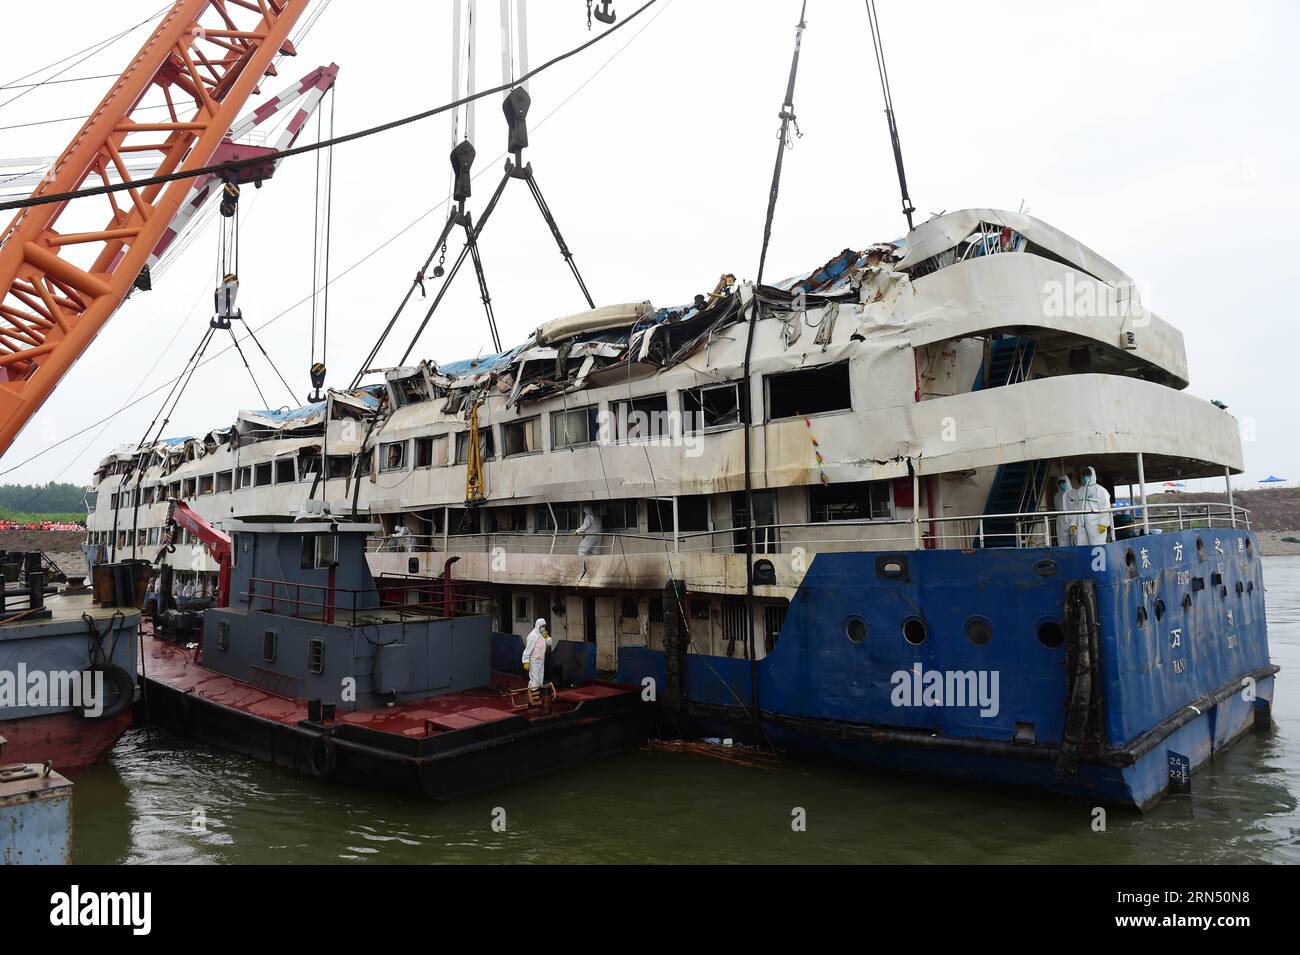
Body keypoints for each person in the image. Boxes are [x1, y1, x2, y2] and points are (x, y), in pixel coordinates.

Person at [1075, 466, 1112, 545]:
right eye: (1084, 475)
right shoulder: (1080, 490)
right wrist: (1073, 522)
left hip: (1095, 525)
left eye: (1088, 475)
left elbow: (1105, 507)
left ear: (1093, 475)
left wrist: (1103, 523)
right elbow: (1076, 508)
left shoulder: (1100, 490)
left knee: (1098, 546)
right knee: (1081, 546)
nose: (1085, 477)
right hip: (1081, 525)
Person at [521, 618, 553, 689]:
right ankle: (532, 695)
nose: (543, 628)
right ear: (538, 626)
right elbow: (527, 650)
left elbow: (550, 643)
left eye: (544, 626)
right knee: (534, 681)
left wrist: (547, 636)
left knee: (540, 681)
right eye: (542, 626)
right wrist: (526, 661)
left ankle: (538, 696)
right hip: (534, 662)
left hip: (541, 661)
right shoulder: (532, 636)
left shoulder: (543, 635)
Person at [1052, 474, 1079, 546]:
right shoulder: (1057, 496)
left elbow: (1078, 507)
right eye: (1059, 483)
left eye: (1063, 482)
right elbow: (1057, 508)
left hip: (1074, 521)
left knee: (1078, 541)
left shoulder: (1075, 492)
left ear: (1067, 482)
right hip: (1061, 522)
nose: (1061, 484)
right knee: (1063, 542)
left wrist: (1075, 521)